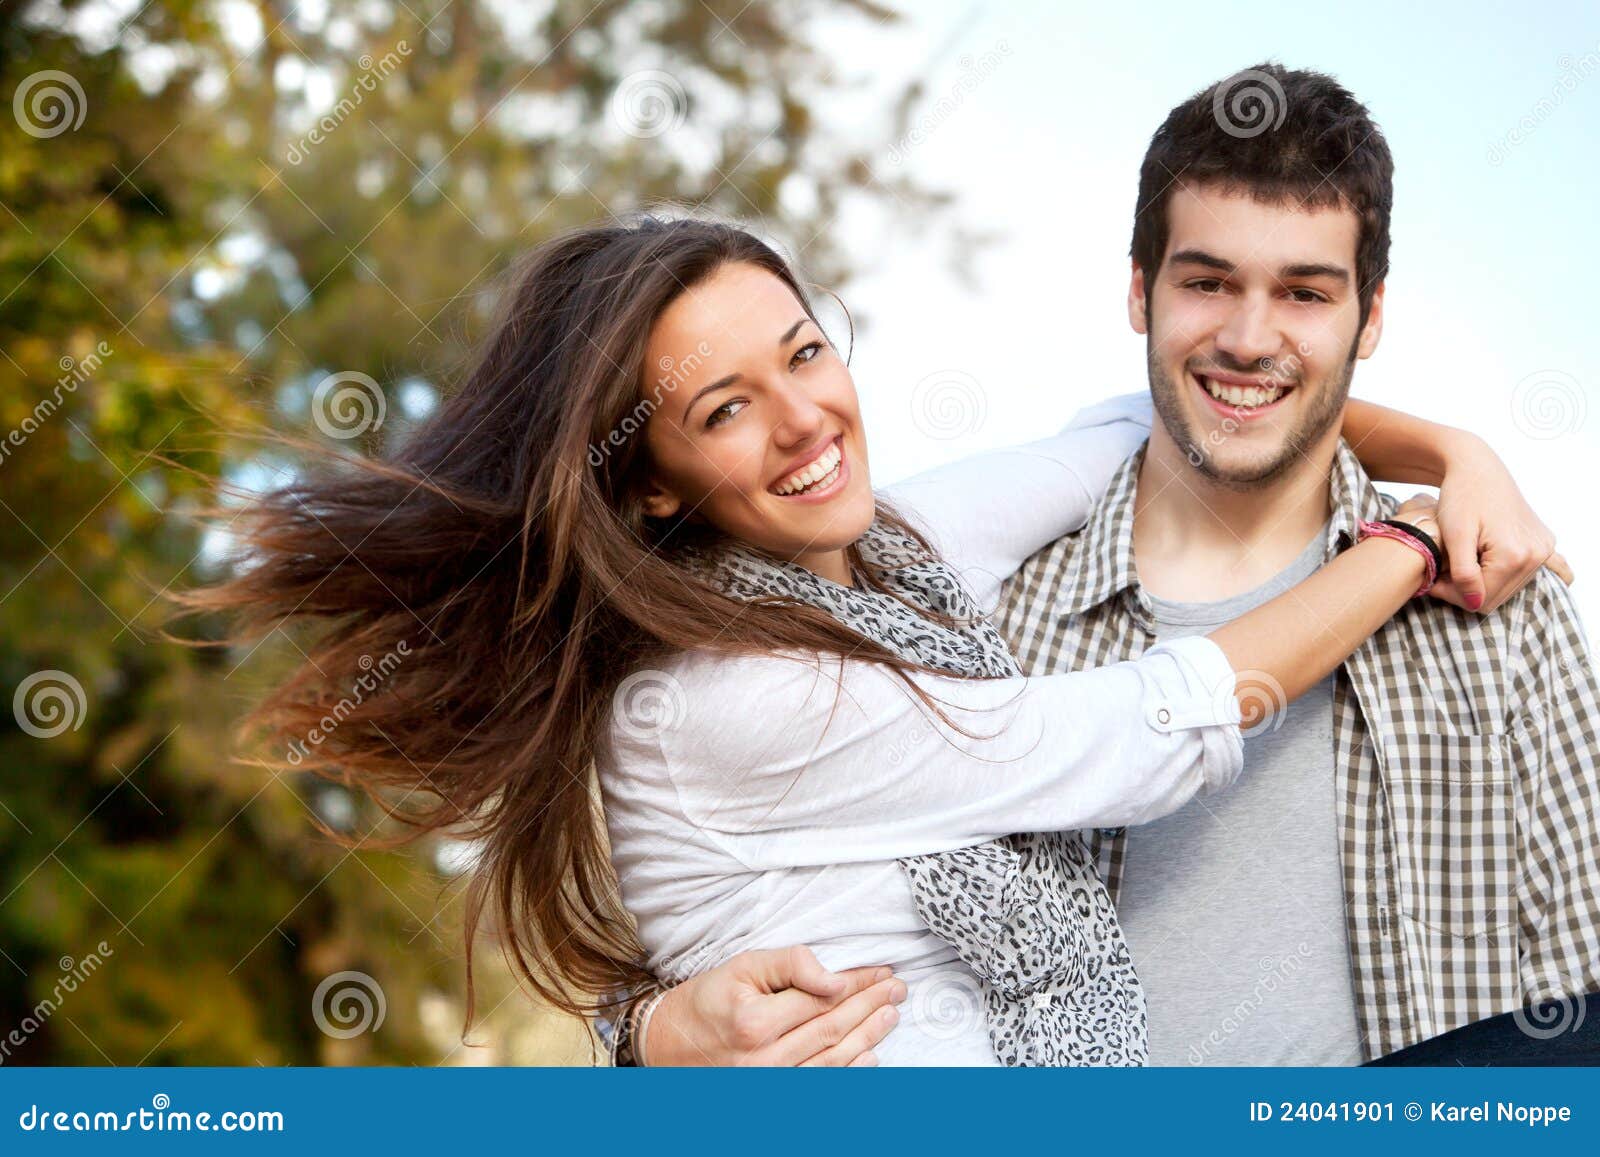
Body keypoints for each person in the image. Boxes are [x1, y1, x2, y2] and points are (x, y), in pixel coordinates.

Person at [647, 63, 1596, 1067]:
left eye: (1305, 293)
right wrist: (645, 1032)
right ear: (1140, 291)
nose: (1247, 338)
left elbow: (1582, 988)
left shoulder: (1499, 608)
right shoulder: (979, 625)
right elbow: (729, 926)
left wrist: (1454, 454)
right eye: (1207, 282)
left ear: (1370, 318)